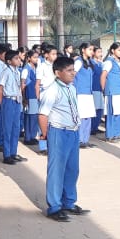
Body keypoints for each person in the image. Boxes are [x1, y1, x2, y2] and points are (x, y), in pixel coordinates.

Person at [38, 55, 88, 222]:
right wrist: (46, 135)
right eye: (68, 71)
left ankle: (69, 202)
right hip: (58, 132)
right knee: (56, 171)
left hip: (73, 132)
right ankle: (54, 207)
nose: (73, 73)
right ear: (57, 73)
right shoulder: (51, 91)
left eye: (73, 70)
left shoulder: (71, 88)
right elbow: (42, 115)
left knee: (72, 169)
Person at [0, 49, 27, 164]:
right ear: (9, 61)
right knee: (7, 129)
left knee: (16, 128)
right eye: (16, 58)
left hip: (16, 101)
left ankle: (13, 153)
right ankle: (7, 155)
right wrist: (1, 105)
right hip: (8, 101)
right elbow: (0, 89)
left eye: (19, 58)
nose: (19, 60)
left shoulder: (17, 72)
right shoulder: (6, 72)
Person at [100, 43, 120, 143]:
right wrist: (103, 90)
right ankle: (110, 136)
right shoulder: (109, 62)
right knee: (112, 113)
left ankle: (117, 134)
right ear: (112, 50)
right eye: (119, 50)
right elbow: (103, 76)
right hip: (112, 91)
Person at [35, 45, 58, 154]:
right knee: (43, 120)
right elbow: (37, 83)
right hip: (44, 94)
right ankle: (43, 147)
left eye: (56, 54)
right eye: (53, 54)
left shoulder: (56, 66)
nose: (55, 56)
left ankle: (52, 144)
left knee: (53, 120)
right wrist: (38, 97)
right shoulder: (42, 66)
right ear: (46, 55)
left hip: (54, 94)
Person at [73, 44, 96, 148]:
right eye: (89, 49)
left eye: (92, 50)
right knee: (81, 117)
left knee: (88, 117)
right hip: (80, 92)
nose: (92, 51)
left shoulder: (90, 62)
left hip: (88, 93)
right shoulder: (78, 61)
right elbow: (72, 75)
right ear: (83, 50)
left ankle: (85, 140)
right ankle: (79, 140)